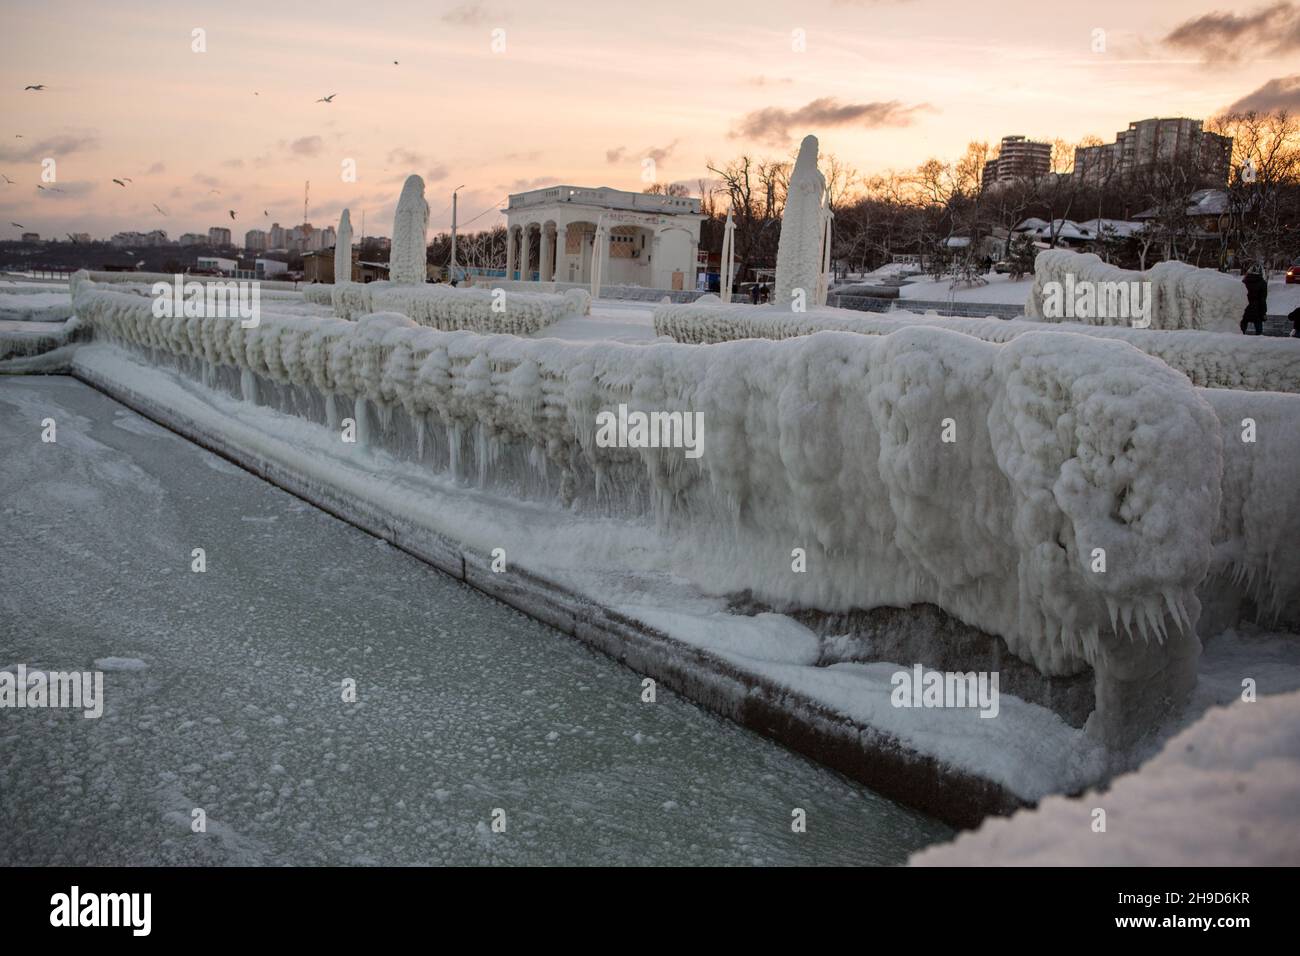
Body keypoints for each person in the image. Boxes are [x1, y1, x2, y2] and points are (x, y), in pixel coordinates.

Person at [1241, 265, 1268, 335]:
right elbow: (1263, 299)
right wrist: (1263, 312)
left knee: (1242, 327)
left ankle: (1239, 340)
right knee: (1258, 328)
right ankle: (1258, 342)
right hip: (1257, 309)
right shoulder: (1263, 283)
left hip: (1244, 307)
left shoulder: (1244, 281)